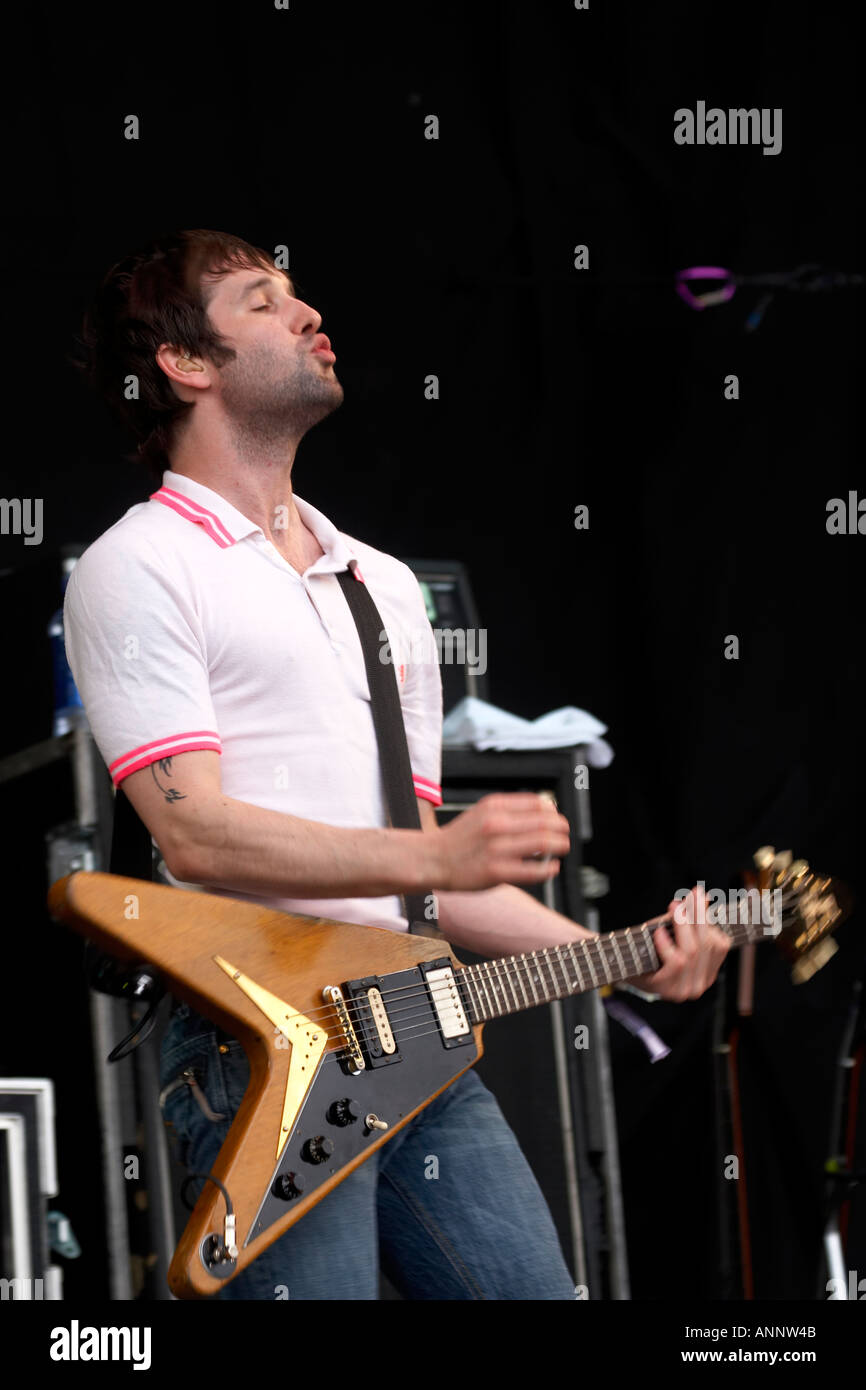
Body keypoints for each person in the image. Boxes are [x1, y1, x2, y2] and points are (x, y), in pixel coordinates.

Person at [64, 228, 731, 1300]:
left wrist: (623, 952)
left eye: (298, 295)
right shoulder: (137, 564)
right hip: (254, 1042)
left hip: (414, 1035)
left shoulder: (380, 585)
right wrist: (443, 854)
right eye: (261, 301)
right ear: (185, 363)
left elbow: (419, 878)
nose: (307, 314)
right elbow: (191, 830)